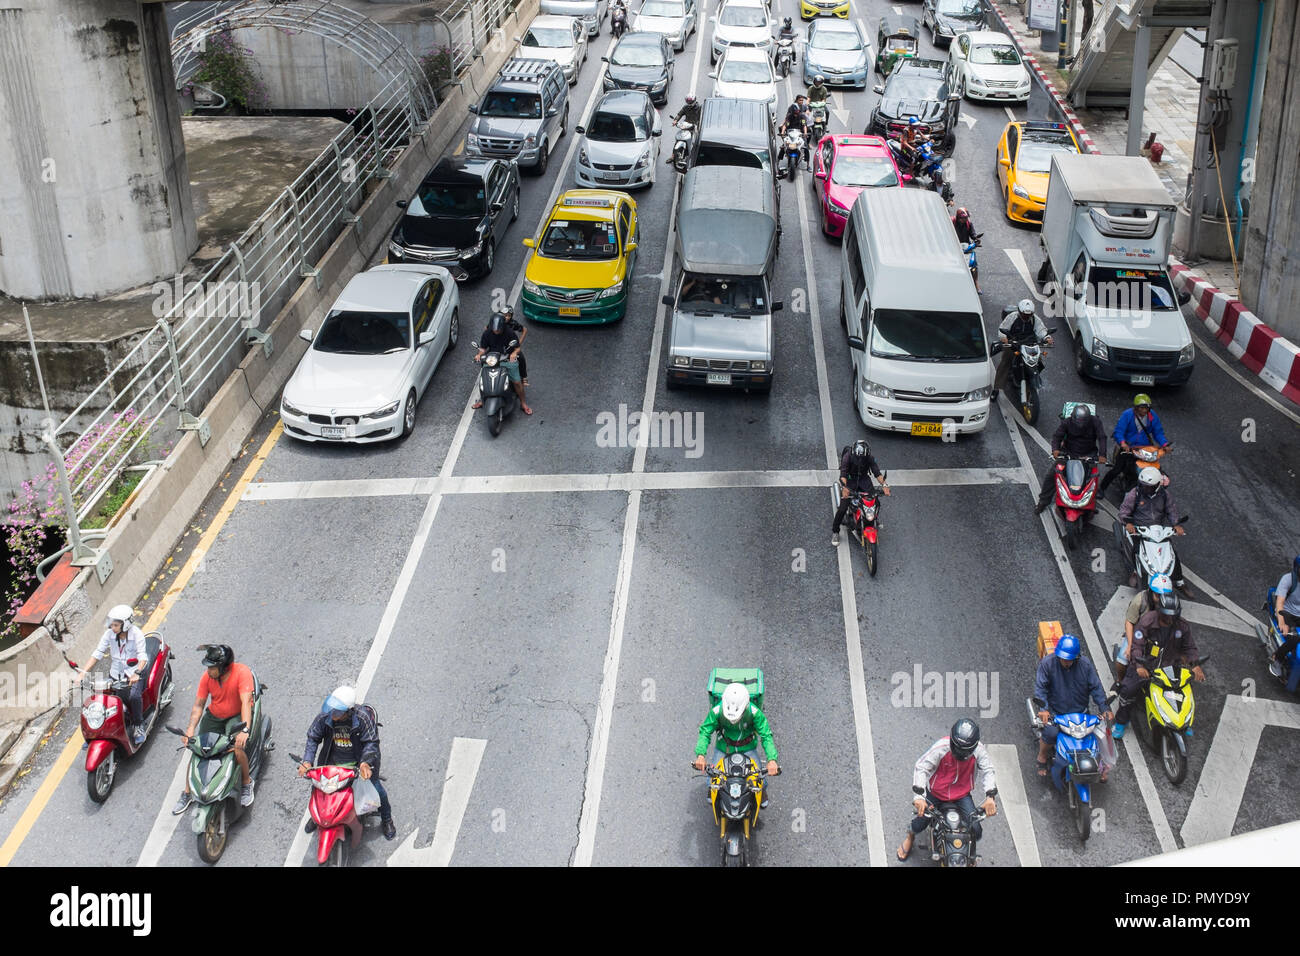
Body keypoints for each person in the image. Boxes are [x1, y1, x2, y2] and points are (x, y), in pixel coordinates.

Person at [298, 686, 396, 841]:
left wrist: (365, 763)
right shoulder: (326, 716)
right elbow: (313, 737)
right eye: (332, 710)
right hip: (332, 762)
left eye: (337, 712)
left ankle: (387, 819)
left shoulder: (362, 718)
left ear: (349, 711)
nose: (333, 715)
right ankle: (317, 818)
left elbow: (371, 742)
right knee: (318, 790)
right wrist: (307, 761)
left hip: (359, 763)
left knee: (376, 788)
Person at [896, 718, 997, 862]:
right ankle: (910, 836)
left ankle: (970, 857)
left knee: (976, 830)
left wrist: (990, 796)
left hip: (962, 795)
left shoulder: (979, 750)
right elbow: (921, 767)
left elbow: (988, 770)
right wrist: (919, 797)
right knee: (920, 823)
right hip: (937, 793)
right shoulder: (941, 747)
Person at [172, 645, 256, 814]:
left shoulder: (242, 673)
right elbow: (199, 705)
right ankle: (187, 793)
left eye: (212, 667)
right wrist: (190, 730)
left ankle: (247, 782)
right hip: (215, 716)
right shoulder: (207, 678)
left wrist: (244, 730)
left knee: (236, 748)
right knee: (198, 749)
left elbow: (246, 702)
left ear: (223, 667)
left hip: (236, 716)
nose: (208, 670)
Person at [1113, 601, 1204, 739]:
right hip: (1146, 665)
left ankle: (1184, 721)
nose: (1170, 619)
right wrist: (1139, 666)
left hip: (1170, 665)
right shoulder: (1147, 621)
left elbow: (1189, 647)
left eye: (1173, 615)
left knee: (1185, 690)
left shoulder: (1182, 625)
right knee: (1128, 690)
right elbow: (1137, 646)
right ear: (1160, 612)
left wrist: (1195, 664)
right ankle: (1121, 721)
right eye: (1167, 615)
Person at [1033, 634, 1112, 788]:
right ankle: (1042, 756)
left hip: (1080, 713)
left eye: (1069, 659)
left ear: (1076, 657)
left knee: (1096, 736)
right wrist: (1044, 710)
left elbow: (1096, 688)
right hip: (1057, 713)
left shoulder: (1085, 665)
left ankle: (1101, 765)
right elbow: (1040, 688)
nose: (1066, 662)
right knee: (1051, 733)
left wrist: (1105, 709)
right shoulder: (1047, 664)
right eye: (1063, 658)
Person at [692, 683, 780, 807]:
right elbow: (705, 731)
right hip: (724, 747)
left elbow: (766, 736)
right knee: (712, 780)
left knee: (760, 779)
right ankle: (713, 790)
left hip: (748, 747)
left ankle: (762, 792)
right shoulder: (716, 711)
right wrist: (700, 755)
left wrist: (772, 760)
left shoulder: (755, 713)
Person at [1117, 466, 1191, 595]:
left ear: (1157, 485)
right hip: (1139, 528)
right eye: (1143, 485)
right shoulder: (1134, 493)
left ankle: (1180, 582)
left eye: (1149, 486)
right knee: (1136, 549)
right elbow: (1124, 511)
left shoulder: (1165, 495)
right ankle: (1135, 572)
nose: (1145, 488)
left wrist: (1176, 524)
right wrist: (1128, 523)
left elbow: (1171, 510)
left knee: (1172, 554)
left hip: (1158, 529)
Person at [85, 604, 149, 746]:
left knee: (134, 696)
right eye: (111, 624)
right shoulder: (109, 634)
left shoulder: (136, 634)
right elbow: (98, 653)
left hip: (135, 672)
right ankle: (97, 730)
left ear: (125, 624)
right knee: (101, 696)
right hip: (116, 673)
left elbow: (142, 656)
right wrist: (83, 673)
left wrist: (137, 673)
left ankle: (138, 725)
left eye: (115, 625)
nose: (112, 627)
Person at [1036, 403, 1106, 514]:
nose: (1080, 424)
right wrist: (1055, 450)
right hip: (1069, 453)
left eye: (1083, 421)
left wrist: (1102, 455)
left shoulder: (1095, 422)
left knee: (1093, 479)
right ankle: (1043, 501)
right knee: (1052, 476)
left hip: (1088, 455)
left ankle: (1090, 504)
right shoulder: (1067, 422)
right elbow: (1057, 437)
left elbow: (1102, 438)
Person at [1100, 393, 1170, 497]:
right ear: (1136, 408)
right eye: (1142, 408)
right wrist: (1123, 443)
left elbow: (1158, 433)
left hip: (1144, 449)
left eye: (1147, 408)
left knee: (1154, 468)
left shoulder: (1152, 416)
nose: (1144, 410)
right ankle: (1101, 488)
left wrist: (1164, 444)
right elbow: (1119, 431)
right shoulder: (1127, 415)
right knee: (1117, 470)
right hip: (1129, 448)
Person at [831, 438, 891, 546]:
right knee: (842, 508)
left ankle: (873, 519)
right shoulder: (847, 457)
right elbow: (843, 474)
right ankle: (835, 531)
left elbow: (877, 473)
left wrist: (885, 485)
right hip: (850, 480)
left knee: (876, 502)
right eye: (859, 458)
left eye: (863, 458)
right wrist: (845, 487)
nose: (861, 460)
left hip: (864, 480)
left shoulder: (869, 457)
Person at [992, 298, 1052, 400]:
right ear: (1019, 312)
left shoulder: (1035, 319)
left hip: (1030, 344)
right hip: (1014, 343)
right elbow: (1003, 328)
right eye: (1024, 315)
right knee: (1005, 362)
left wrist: (1047, 338)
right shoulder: (1012, 317)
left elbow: (1041, 330)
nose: (1026, 317)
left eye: (1029, 315)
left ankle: (1032, 378)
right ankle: (996, 388)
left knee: (1039, 362)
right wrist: (1004, 338)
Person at [473, 312, 531, 415]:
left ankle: (523, 403)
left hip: (507, 359)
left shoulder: (509, 333)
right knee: (484, 380)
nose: (496, 331)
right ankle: (483, 400)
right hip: (492, 359)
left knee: (517, 382)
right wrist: (479, 355)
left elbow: (517, 348)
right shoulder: (487, 333)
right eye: (494, 329)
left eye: (498, 330)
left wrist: (513, 353)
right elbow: (483, 348)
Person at [1119, 573, 1177, 672]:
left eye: (1164, 596)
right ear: (1151, 592)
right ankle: (1120, 680)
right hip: (1137, 634)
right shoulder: (1139, 601)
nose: (1161, 600)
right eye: (1158, 596)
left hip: (1156, 636)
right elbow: (1129, 622)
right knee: (1123, 659)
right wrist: (1129, 645)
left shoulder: (1170, 604)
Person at [1268, 555, 1300, 677]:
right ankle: (1277, 658)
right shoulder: (1288, 579)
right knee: (1294, 638)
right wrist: (1282, 622)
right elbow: (1280, 603)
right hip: (1286, 613)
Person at [501, 304, 529, 385]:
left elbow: (524, 330)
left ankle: (524, 377)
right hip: (497, 345)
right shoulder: (496, 321)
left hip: (510, 346)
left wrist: (518, 343)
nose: (506, 317)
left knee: (521, 358)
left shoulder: (513, 323)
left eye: (509, 316)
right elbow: (487, 328)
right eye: (505, 315)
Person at [780, 95, 811, 166]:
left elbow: (804, 125)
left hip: (799, 134)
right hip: (790, 133)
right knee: (783, 146)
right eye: (794, 113)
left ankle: (808, 165)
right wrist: (782, 132)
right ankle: (778, 162)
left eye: (797, 112)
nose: (795, 114)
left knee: (805, 148)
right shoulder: (789, 116)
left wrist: (805, 133)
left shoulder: (802, 116)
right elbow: (785, 125)